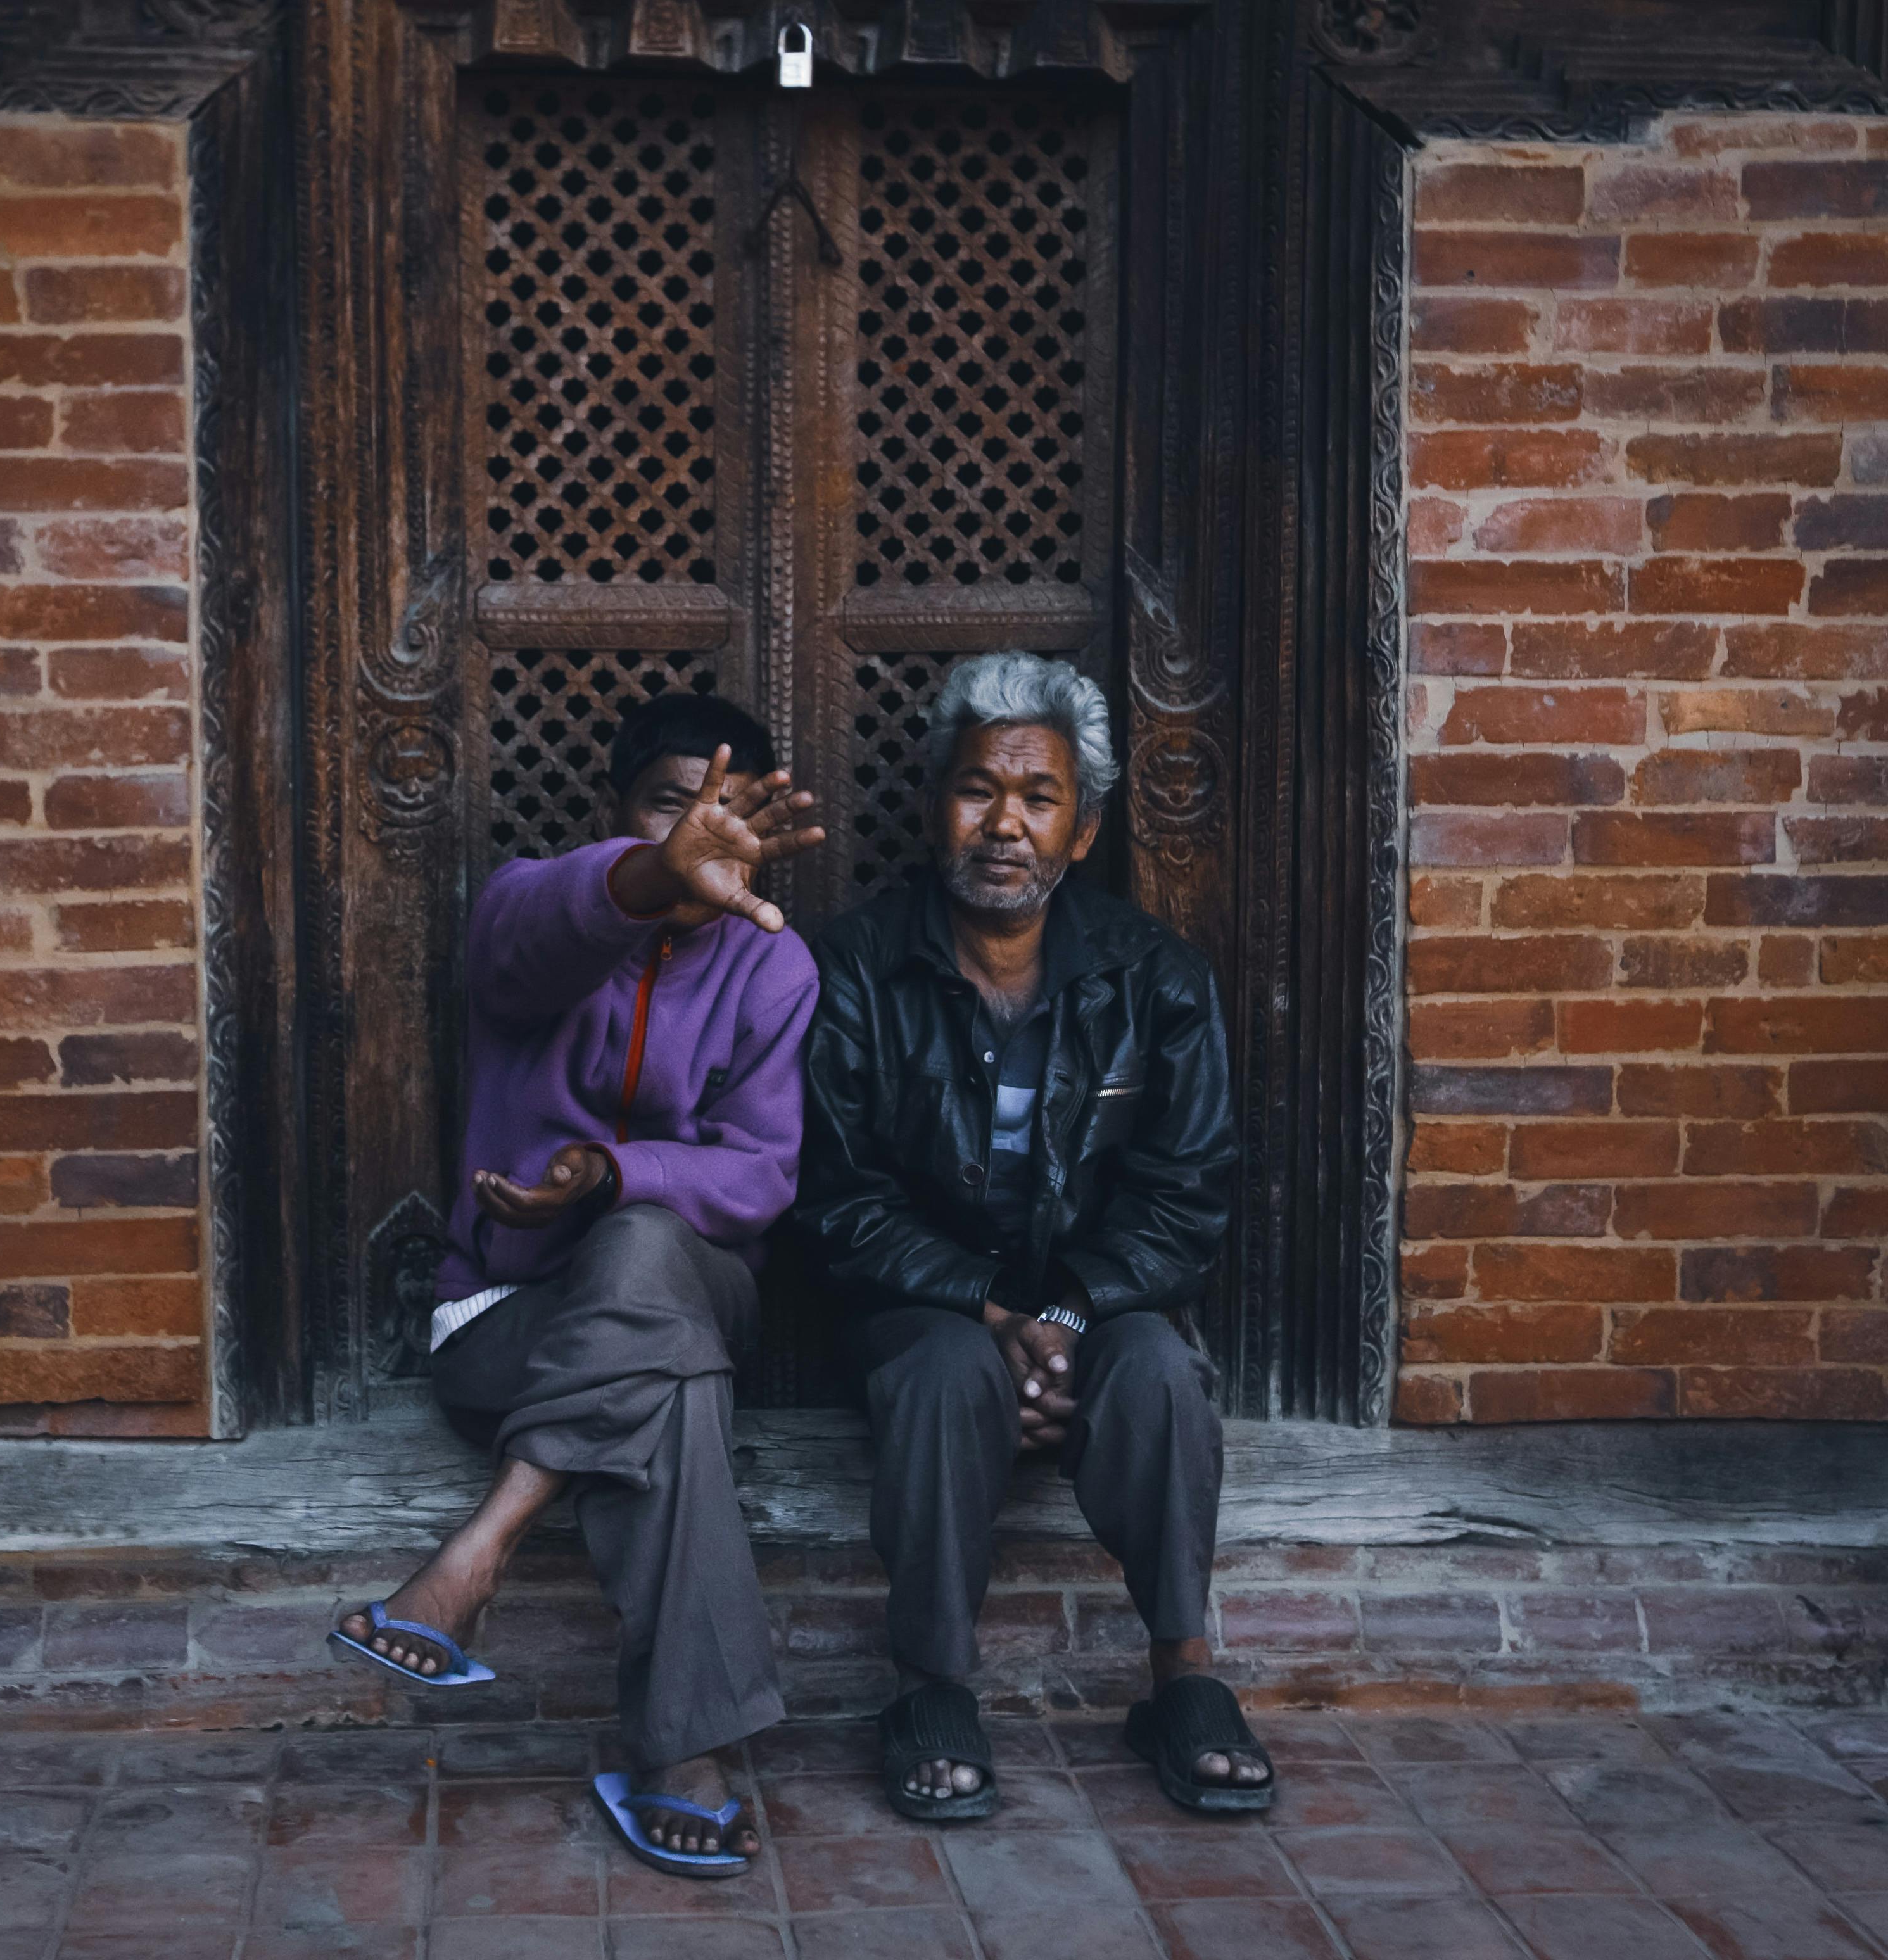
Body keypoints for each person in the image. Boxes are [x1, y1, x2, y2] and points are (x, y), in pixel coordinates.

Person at [332, 693, 822, 1876]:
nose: (698, 834)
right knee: (673, 1393)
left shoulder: (774, 965)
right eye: (669, 807)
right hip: (506, 1322)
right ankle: (684, 1755)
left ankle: (478, 1552)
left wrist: (609, 1174)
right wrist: (653, 877)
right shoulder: (529, 907)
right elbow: (540, 937)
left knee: (645, 1247)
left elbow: (761, 1174)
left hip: (694, 1285)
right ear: (617, 812)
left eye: (723, 814)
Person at [796, 651, 1268, 1822]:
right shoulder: (853, 968)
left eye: (1038, 798)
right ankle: (931, 1688)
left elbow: (1186, 1195)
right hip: (920, 1306)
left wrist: (1063, 1313)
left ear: (1083, 828)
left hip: (1094, 1303)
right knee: (947, 1374)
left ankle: (1183, 1677)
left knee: (1161, 1374)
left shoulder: (1156, 979)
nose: (1003, 824)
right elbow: (834, 1195)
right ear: (933, 809)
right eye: (976, 790)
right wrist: (990, 1308)